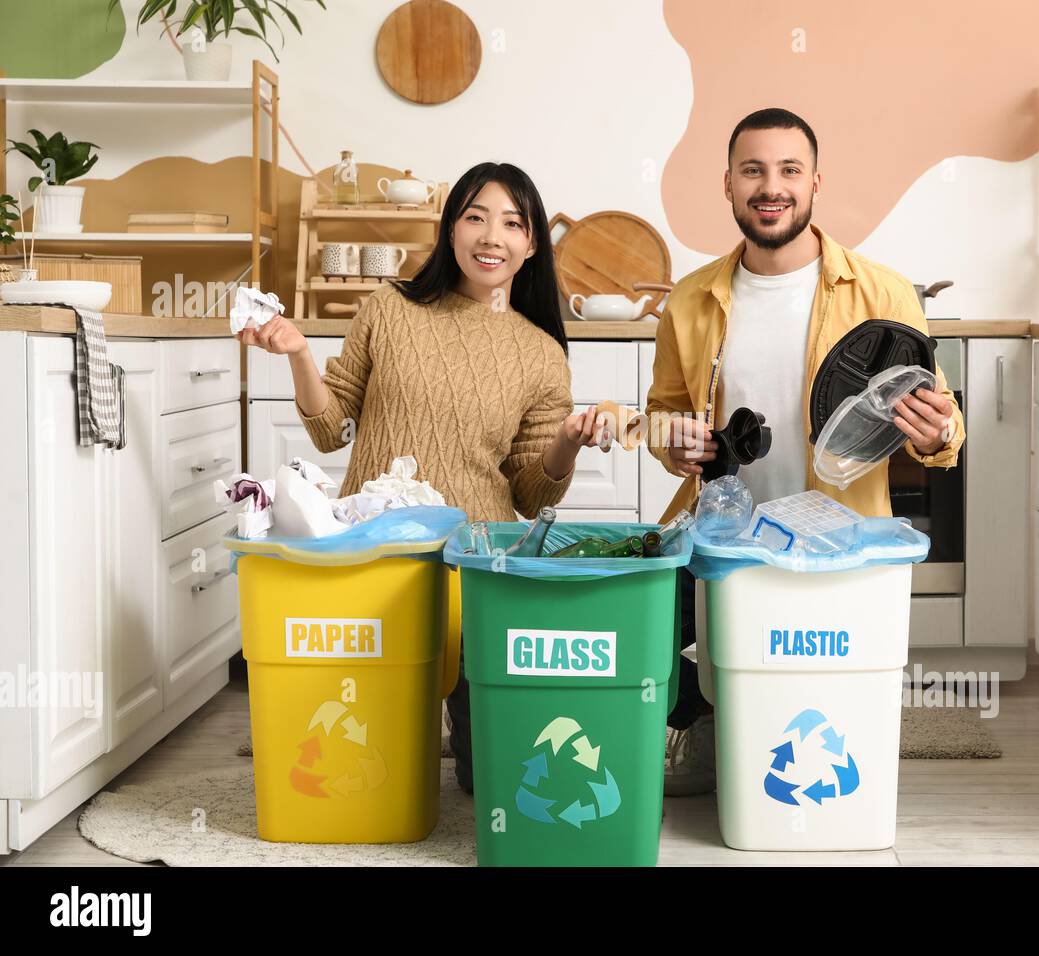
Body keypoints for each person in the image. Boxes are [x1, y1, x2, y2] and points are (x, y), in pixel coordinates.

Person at [237, 161, 614, 793]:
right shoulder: (388, 310)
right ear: (450, 229)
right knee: (368, 771)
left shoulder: (541, 352)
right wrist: (302, 354)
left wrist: (566, 446)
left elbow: (529, 494)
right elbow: (333, 432)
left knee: (481, 781)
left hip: (473, 567)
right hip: (377, 553)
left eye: (512, 223)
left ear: (530, 245)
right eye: (475, 217)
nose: (491, 237)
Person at [647, 108, 966, 796]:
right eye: (753, 170)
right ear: (727, 184)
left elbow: (942, 430)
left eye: (789, 170)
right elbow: (662, 415)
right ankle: (704, 729)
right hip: (730, 545)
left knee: (818, 707)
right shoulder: (690, 299)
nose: (772, 186)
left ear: (815, 181)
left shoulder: (881, 293)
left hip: (837, 544)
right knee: (718, 684)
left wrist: (938, 433)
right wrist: (672, 445)